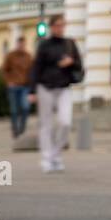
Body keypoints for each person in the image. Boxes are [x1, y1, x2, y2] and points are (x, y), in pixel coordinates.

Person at [28, 14, 84, 173]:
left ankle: (56, 155)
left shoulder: (70, 44)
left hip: (64, 88)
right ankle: (46, 159)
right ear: (51, 27)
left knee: (65, 122)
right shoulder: (44, 45)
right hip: (45, 88)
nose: (61, 28)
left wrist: (71, 62)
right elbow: (36, 68)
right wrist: (32, 90)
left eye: (63, 25)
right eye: (58, 25)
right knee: (46, 125)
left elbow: (79, 65)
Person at [1, 35, 33, 139]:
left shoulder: (28, 56)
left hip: (25, 86)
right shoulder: (10, 56)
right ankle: (15, 130)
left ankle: (22, 128)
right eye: (20, 44)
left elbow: (32, 72)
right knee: (14, 110)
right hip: (13, 86)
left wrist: (31, 85)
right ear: (17, 44)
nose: (21, 46)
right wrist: (8, 81)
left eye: (23, 44)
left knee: (25, 107)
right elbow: (4, 70)